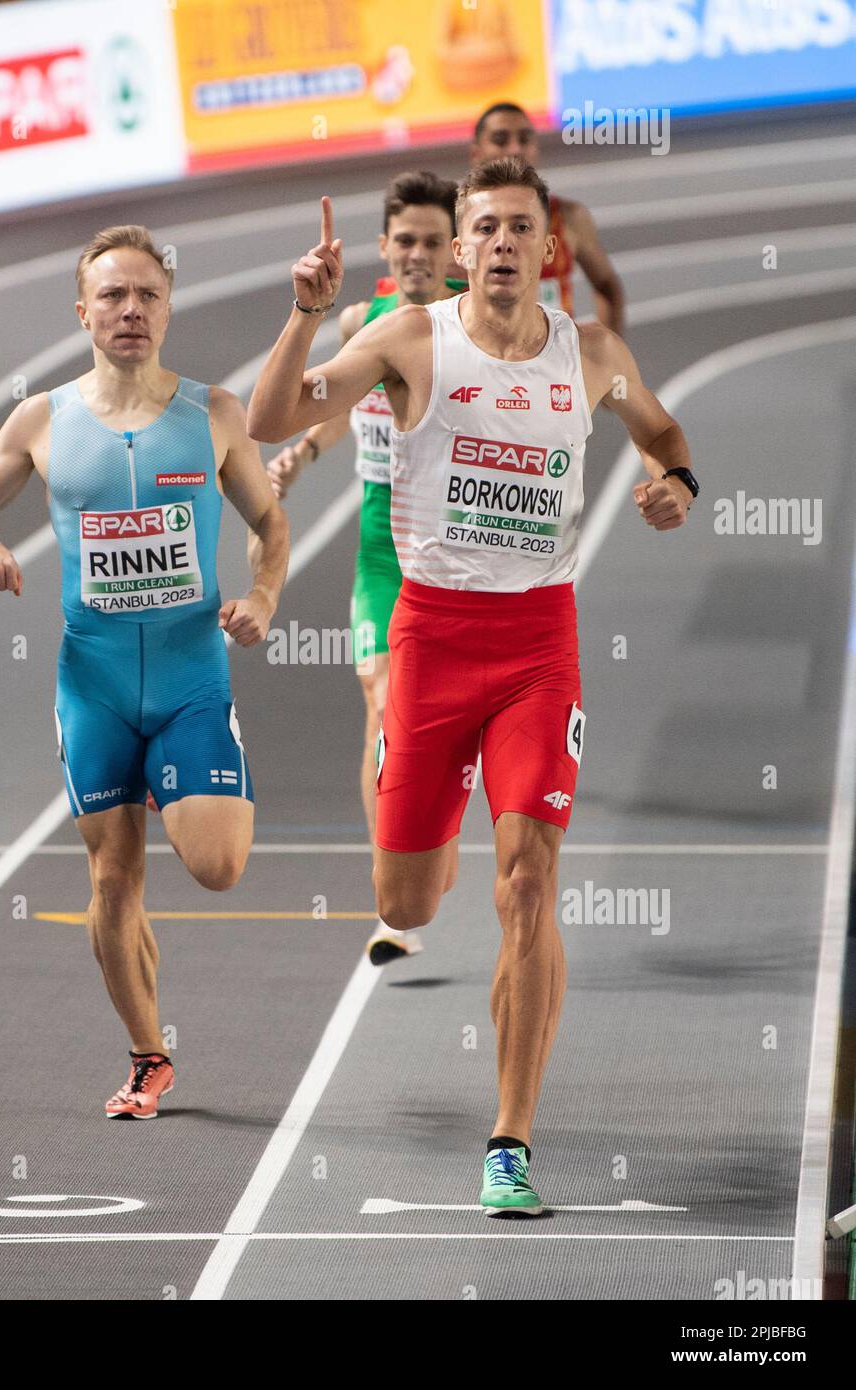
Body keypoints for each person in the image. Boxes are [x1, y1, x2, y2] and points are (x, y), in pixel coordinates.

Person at [246, 159, 698, 1213]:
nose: (500, 242)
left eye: (519, 228)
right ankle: (415, 781)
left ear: (548, 249)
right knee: (407, 896)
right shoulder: (409, 340)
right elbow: (271, 419)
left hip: (540, 644)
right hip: (431, 639)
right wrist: (304, 316)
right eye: (482, 225)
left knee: (528, 883)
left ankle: (508, 1139)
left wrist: (674, 484)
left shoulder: (591, 356)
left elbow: (666, 438)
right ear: (458, 248)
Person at [0, 225, 289, 1120]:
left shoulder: (212, 412)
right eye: (113, 296)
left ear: (169, 308)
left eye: (148, 295)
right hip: (91, 686)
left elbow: (271, 523)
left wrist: (263, 595)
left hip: (190, 680)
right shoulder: (43, 420)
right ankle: (148, 1056)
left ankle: (188, 796)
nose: (131, 310)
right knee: (110, 883)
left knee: (215, 867)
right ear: (83, 311)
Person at [266, 170, 462, 967]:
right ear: (384, 246)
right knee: (382, 704)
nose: (416, 253)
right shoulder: (362, 317)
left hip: (454, 561)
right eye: (403, 240)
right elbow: (344, 400)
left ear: (455, 250)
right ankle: (391, 900)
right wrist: (305, 448)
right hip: (383, 554)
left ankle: (428, 838)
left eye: (431, 241)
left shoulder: (467, 328)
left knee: (440, 731)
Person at [472, 102, 626, 335]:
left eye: (525, 139)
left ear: (535, 149)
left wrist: (608, 356)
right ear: (476, 153)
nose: (515, 149)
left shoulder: (568, 218)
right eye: (501, 140)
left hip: (557, 367)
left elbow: (607, 286)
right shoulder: (457, 223)